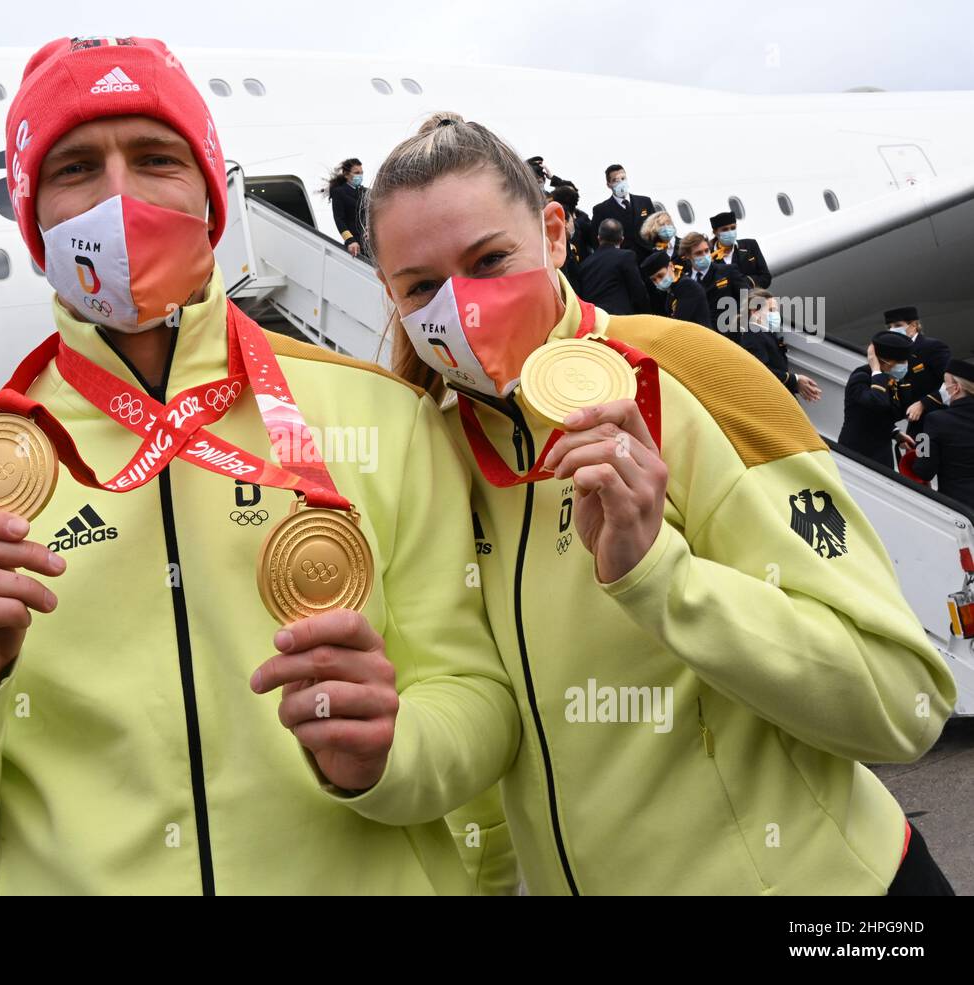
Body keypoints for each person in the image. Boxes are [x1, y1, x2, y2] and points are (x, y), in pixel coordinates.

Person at [0, 38, 517, 896]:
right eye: (76, 167)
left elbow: (481, 705)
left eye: (156, 158)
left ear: (212, 196)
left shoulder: (386, 422)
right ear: (35, 223)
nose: (120, 195)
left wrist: (390, 752)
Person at [365, 110, 955, 895]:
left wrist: (663, 578)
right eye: (424, 287)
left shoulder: (689, 375)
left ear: (552, 234)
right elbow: (489, 753)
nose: (463, 307)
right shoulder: (434, 452)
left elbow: (903, 700)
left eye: (489, 259)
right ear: (390, 294)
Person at [906, 358, 974, 510]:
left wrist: (917, 448)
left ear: (956, 388)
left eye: (945, 383)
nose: (944, 389)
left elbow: (924, 470)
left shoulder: (937, 420)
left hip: (959, 507)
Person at [838, 331, 912, 469]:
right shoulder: (861, 377)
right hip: (857, 452)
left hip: (882, 453)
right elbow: (877, 403)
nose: (905, 365)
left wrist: (894, 432)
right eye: (901, 362)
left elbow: (891, 412)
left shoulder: (890, 378)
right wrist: (876, 370)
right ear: (884, 362)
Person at [736, 289, 821, 403]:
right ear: (755, 311)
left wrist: (796, 385)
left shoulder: (764, 334)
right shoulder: (753, 334)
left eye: (776, 311)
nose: (775, 315)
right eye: (771, 310)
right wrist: (795, 380)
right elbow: (762, 371)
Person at [884, 305, 950, 425]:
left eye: (898, 325)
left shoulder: (933, 347)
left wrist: (923, 403)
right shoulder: (895, 355)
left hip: (938, 419)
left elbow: (952, 383)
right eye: (890, 327)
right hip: (914, 423)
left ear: (914, 325)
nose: (892, 330)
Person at [575, 219, 650, 315]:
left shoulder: (584, 265)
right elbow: (638, 292)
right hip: (621, 318)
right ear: (622, 239)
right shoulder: (626, 257)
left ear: (598, 238)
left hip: (597, 321)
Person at [679, 231, 743, 333]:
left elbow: (747, 297)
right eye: (698, 253)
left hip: (731, 333)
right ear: (687, 256)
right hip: (706, 338)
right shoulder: (684, 282)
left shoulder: (728, 271)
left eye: (706, 251)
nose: (704, 255)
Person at [590, 164, 655, 261]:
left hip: (648, 257)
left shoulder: (645, 202)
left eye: (623, 178)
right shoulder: (601, 210)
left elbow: (655, 228)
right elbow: (595, 241)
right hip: (621, 261)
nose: (621, 182)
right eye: (616, 180)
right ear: (608, 184)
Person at [640, 251, 710, 328]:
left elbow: (679, 323)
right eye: (654, 280)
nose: (658, 281)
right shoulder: (672, 289)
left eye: (660, 275)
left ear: (671, 266)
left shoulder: (686, 286)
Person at [709, 211, 771, 289]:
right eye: (725, 229)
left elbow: (766, 277)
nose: (730, 232)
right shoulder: (709, 255)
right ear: (715, 232)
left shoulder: (750, 245)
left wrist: (746, 282)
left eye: (733, 228)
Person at [322, 157, 368, 257]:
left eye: (361, 173)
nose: (360, 176)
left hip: (370, 244)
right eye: (356, 173)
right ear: (346, 174)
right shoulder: (339, 192)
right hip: (355, 246)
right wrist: (350, 240)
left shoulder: (365, 192)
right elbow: (339, 219)